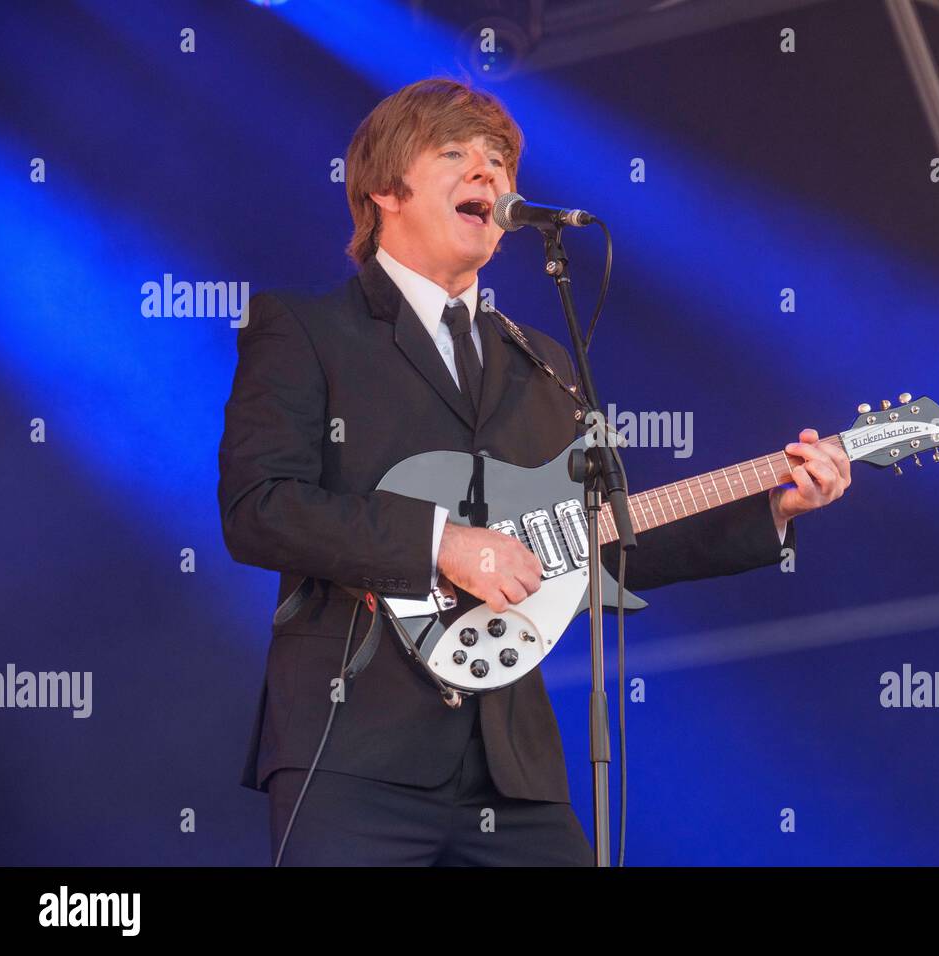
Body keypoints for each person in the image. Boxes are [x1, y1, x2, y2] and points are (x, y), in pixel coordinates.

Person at [217, 77, 851, 866]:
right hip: (353, 753)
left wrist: (774, 510)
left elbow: (601, 541)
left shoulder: (542, 363)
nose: (490, 173)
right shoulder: (307, 331)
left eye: (500, 159)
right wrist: (442, 544)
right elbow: (261, 507)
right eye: (456, 153)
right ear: (383, 187)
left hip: (511, 765)